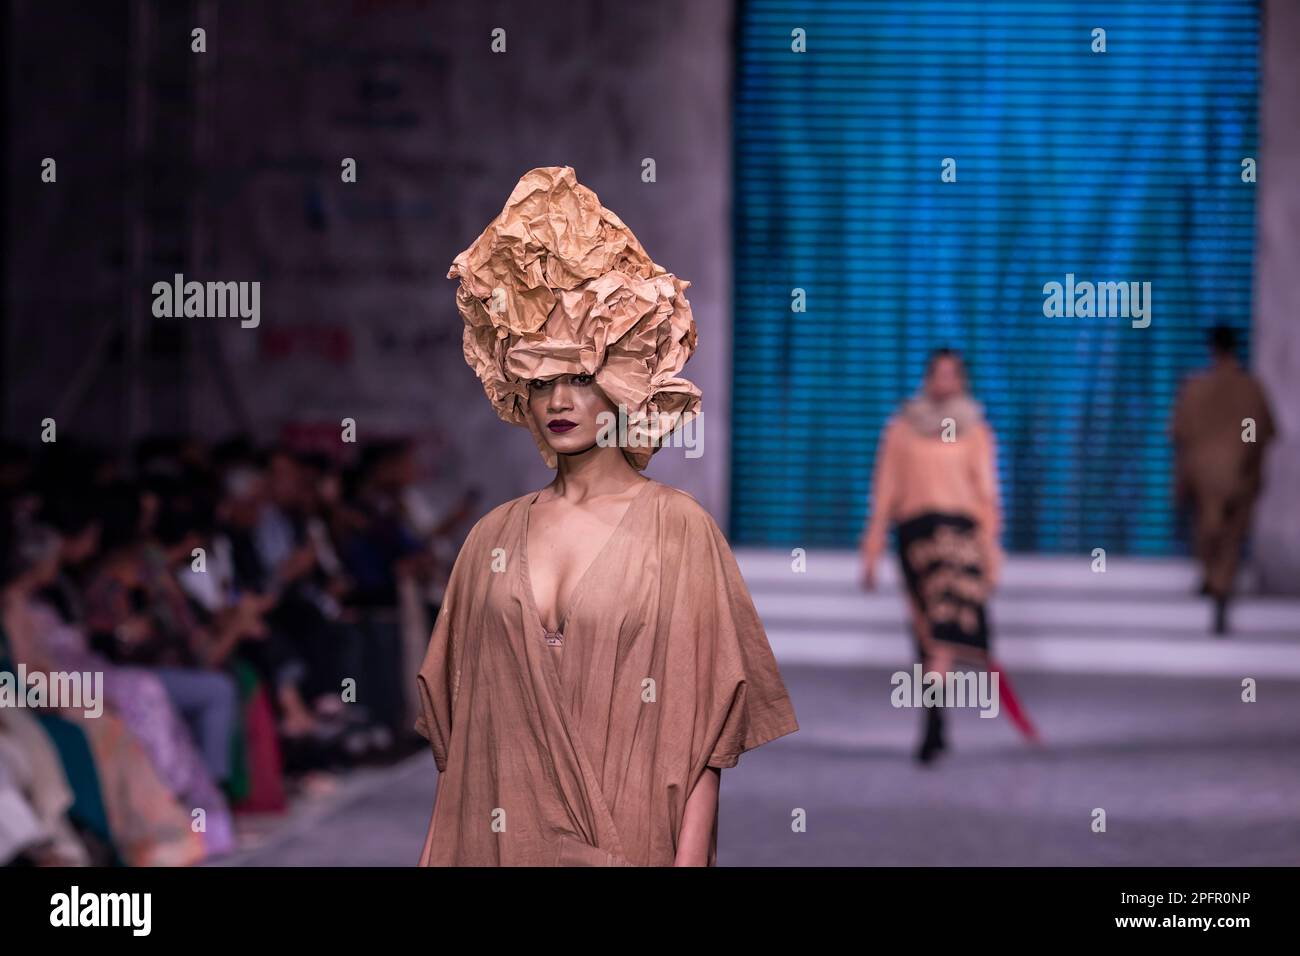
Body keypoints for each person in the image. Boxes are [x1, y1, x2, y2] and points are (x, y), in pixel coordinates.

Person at [415, 166, 799, 867]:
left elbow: (706, 741)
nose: (560, 400)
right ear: (515, 393)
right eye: (539, 380)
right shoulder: (489, 541)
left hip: (631, 841)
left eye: (581, 377)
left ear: (622, 382)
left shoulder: (679, 532)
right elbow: (461, 748)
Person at [860, 348, 1038, 763]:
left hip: (959, 539)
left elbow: (988, 495)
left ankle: (933, 725)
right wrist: (871, 548)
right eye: (937, 374)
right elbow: (884, 492)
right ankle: (935, 718)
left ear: (961, 380)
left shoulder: (976, 430)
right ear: (927, 378)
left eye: (951, 375)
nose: (944, 382)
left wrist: (990, 549)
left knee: (941, 633)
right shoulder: (901, 428)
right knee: (924, 629)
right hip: (915, 536)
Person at [1170, 325, 1277, 635]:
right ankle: (1220, 587)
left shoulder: (1195, 389)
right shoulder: (1251, 390)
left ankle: (1214, 583)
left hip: (1205, 477)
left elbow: (1182, 439)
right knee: (1230, 539)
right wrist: (1252, 474)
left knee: (1209, 532)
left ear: (1211, 349)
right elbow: (1259, 436)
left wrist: (1181, 483)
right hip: (1238, 475)